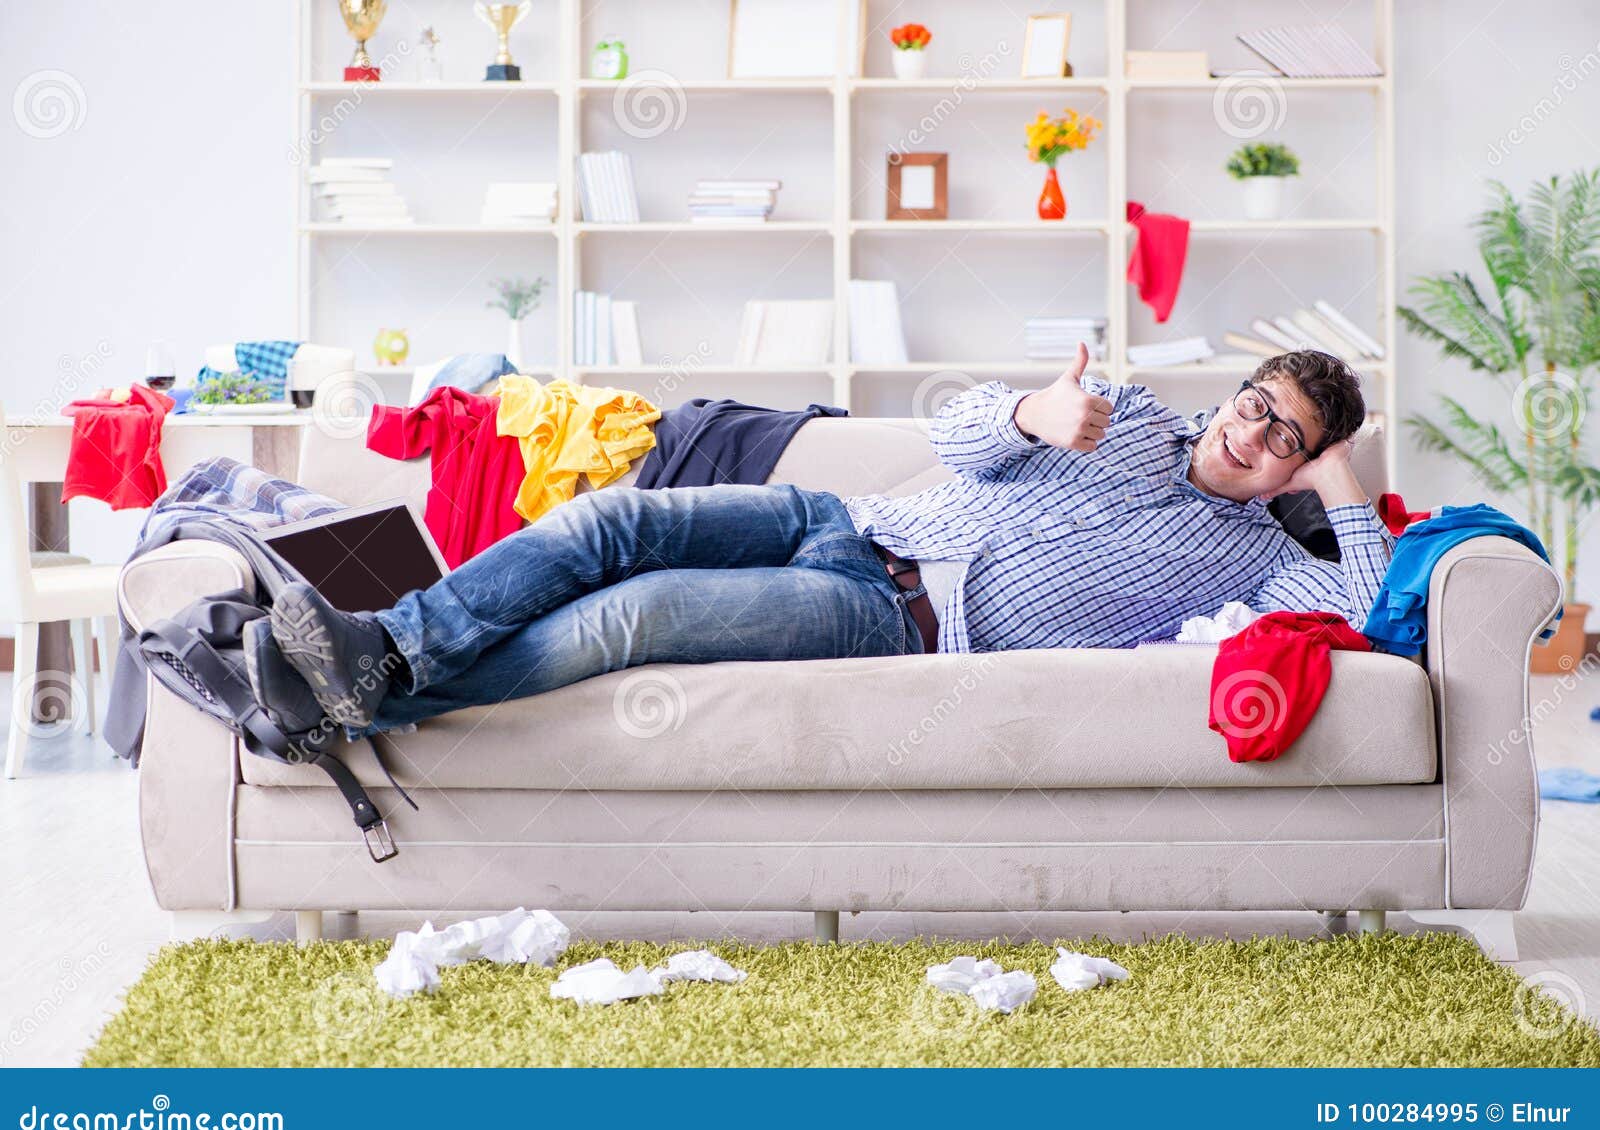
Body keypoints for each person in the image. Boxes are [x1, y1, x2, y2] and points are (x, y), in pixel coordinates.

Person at [259, 345, 1392, 734]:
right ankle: (377, 648)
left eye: (1286, 435)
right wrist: (1022, 415)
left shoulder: (1263, 559)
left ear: (1303, 462)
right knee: (609, 520)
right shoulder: (1127, 414)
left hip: (895, 618)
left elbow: (1376, 609)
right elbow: (957, 441)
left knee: (632, 618)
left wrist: (1345, 475)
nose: (1253, 434)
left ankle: (371, 694)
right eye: (1256, 404)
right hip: (844, 524)